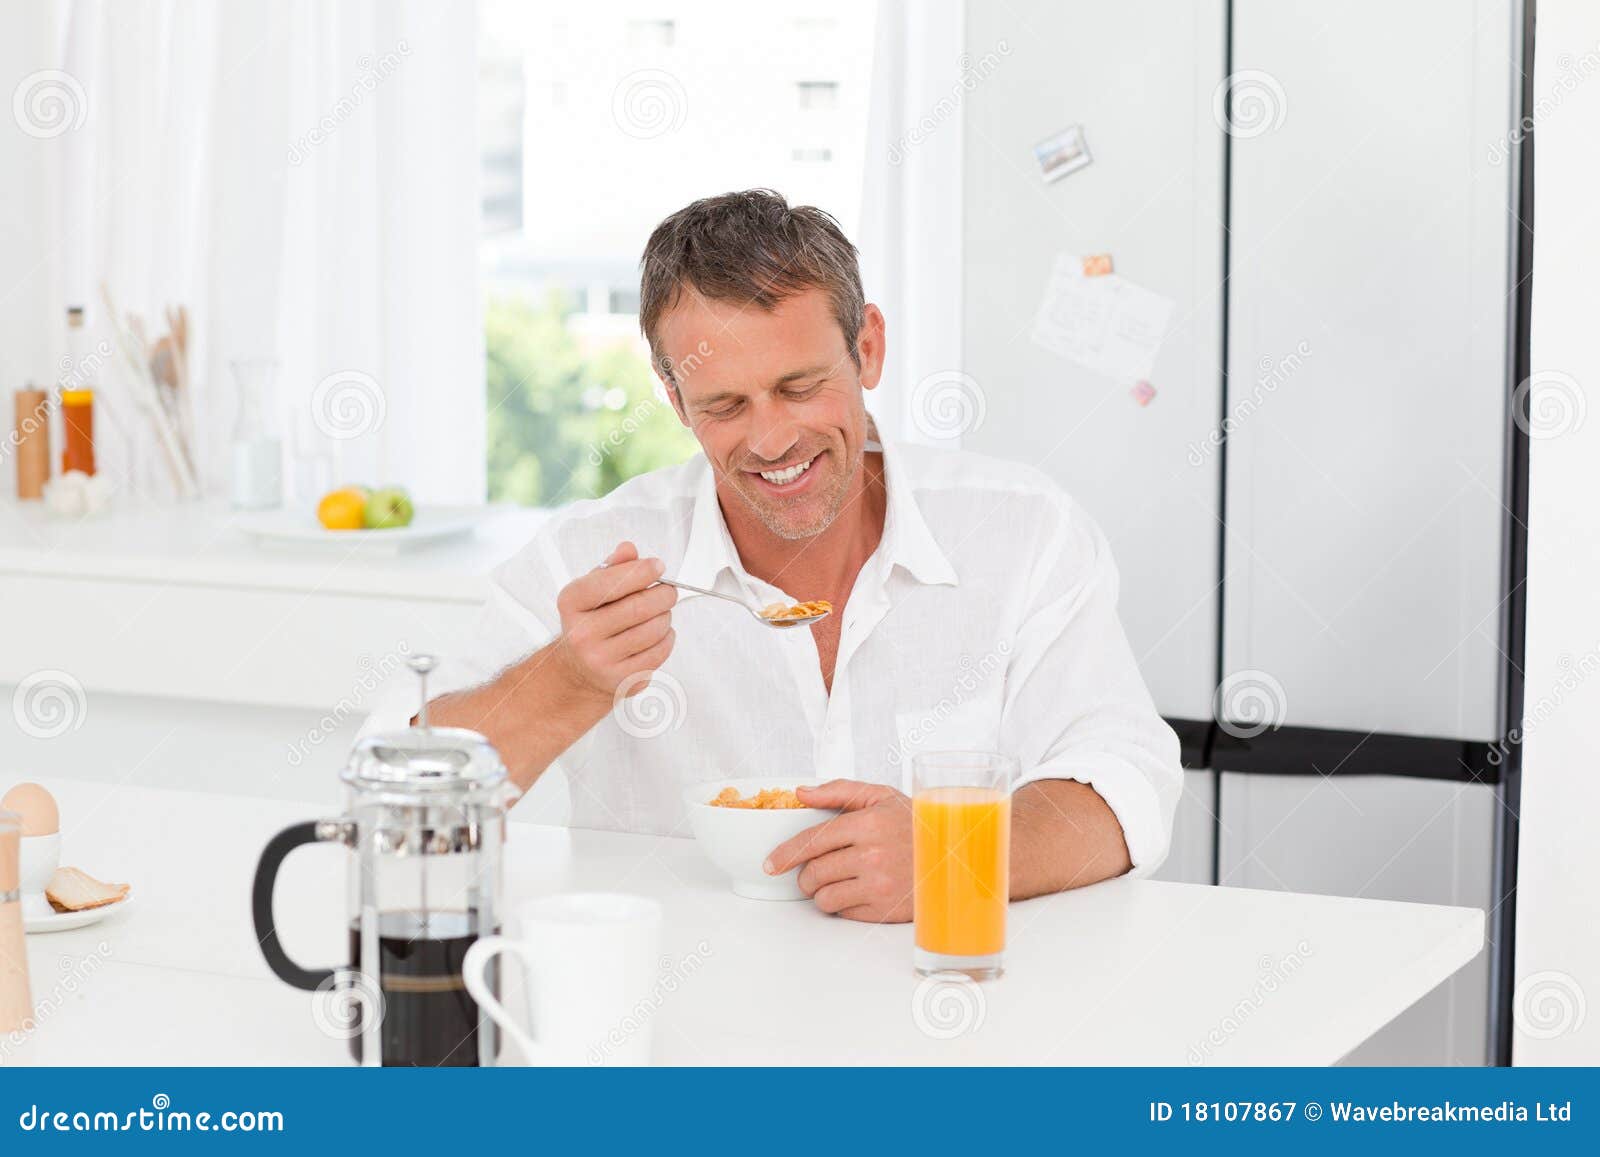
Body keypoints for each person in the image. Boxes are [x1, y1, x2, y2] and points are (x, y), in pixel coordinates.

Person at [414, 189, 1182, 923]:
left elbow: (1130, 782)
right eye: (723, 405)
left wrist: (959, 852)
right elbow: (411, 809)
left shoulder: (1025, 532)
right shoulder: (585, 559)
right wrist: (570, 678)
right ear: (677, 400)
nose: (772, 440)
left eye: (800, 386)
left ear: (868, 348)